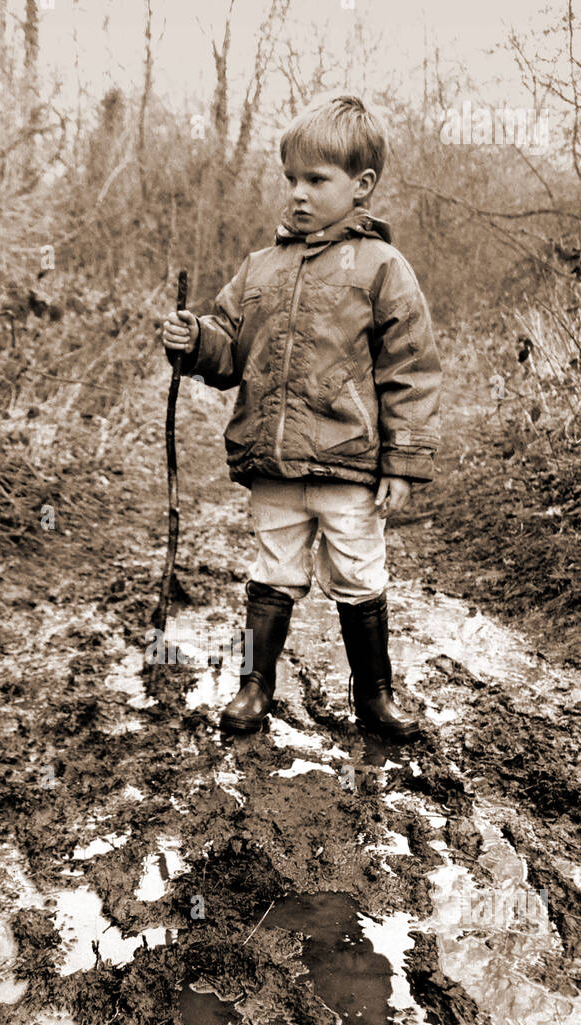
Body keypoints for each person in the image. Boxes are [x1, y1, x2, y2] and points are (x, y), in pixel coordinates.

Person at [162, 93, 442, 741]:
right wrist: (193, 340)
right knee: (271, 575)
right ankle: (254, 685)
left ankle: (373, 697)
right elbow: (228, 349)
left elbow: (410, 368)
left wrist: (401, 459)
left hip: (349, 465)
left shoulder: (381, 269)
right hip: (274, 462)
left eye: (316, 180)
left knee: (357, 577)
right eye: (290, 179)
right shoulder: (259, 268)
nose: (297, 194)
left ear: (361, 186)